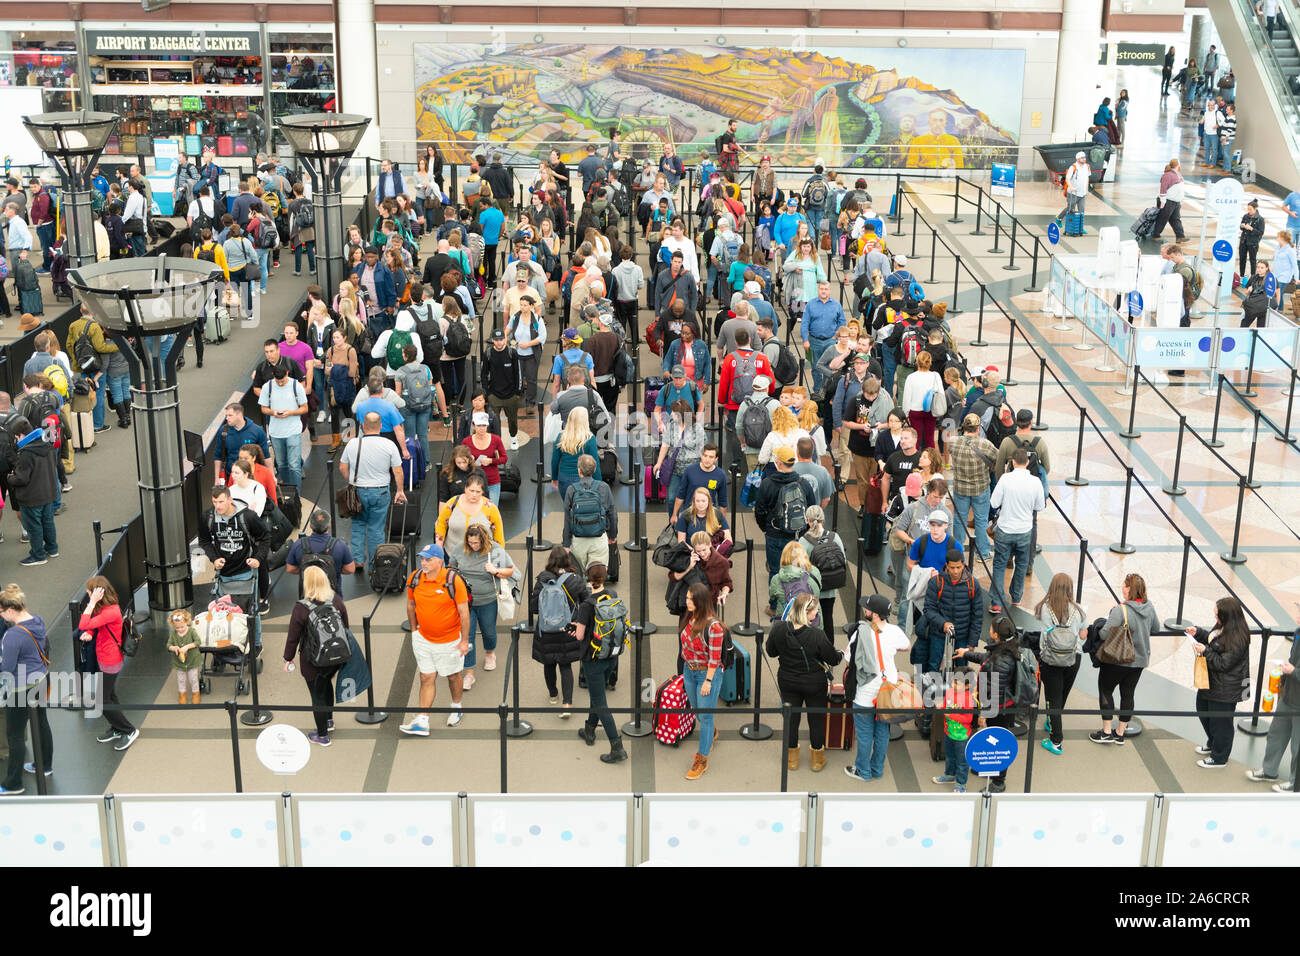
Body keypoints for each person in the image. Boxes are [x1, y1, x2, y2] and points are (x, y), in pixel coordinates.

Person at [766, 592, 841, 773]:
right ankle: (817, 759)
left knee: (791, 719)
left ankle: (791, 759)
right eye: (815, 611)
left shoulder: (778, 628)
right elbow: (832, 659)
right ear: (807, 613)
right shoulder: (817, 635)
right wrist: (841, 654)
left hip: (787, 680)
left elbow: (771, 652)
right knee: (815, 719)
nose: (817, 614)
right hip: (814, 683)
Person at [400, 544, 471, 735]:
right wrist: (414, 631)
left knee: (453, 676)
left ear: (440, 560)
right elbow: (410, 605)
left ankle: (456, 707)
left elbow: (464, 613)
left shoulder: (453, 581)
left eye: (428, 559)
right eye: (422, 558)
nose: (424, 562)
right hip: (423, 639)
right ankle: (422, 720)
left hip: (450, 641)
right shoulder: (415, 578)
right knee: (426, 677)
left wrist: (464, 641)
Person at [845, 593, 910, 782]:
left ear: (874, 614)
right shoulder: (895, 631)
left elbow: (849, 658)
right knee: (882, 733)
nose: (864, 609)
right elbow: (906, 646)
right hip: (887, 691)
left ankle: (863, 771)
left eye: (867, 608)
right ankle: (877, 769)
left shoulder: (861, 632)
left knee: (864, 734)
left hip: (865, 692)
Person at [284, 566, 351, 746]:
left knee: (316, 695)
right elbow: (345, 627)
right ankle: (328, 720)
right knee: (327, 684)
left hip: (312, 660)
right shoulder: (336, 600)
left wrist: (288, 658)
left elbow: (293, 637)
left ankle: (322, 736)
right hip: (335, 656)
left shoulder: (301, 607)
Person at [954, 615, 1021, 793]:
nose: (989, 630)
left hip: (1000, 708)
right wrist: (966, 653)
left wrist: (984, 714)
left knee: (997, 741)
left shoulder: (1002, 660)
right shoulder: (1003, 649)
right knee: (992, 737)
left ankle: (999, 781)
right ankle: (988, 766)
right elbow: (986, 658)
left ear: (996, 635)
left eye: (991, 628)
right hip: (1000, 705)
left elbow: (996, 693)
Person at [1091, 573, 1158, 746]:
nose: (1122, 586)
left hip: (1118, 660)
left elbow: (1104, 633)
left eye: (1124, 584)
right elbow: (1156, 628)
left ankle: (1106, 732)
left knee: (1106, 690)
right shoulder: (1149, 607)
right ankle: (1120, 733)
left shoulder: (1120, 610)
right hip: (1139, 661)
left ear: (1129, 589)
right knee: (1128, 693)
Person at [573, 563, 630, 763]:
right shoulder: (612, 596)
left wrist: (575, 628)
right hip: (612, 656)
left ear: (588, 580)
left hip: (593, 659)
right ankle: (589, 730)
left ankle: (617, 747)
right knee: (597, 695)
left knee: (601, 702)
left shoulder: (587, 605)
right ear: (604, 579)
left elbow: (580, 635)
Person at [1185, 596, 1251, 769]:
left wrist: (1205, 651)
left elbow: (1224, 664)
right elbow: (1214, 641)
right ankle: (1214, 744)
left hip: (1226, 688)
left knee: (1221, 723)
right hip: (1212, 682)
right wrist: (1198, 633)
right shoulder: (1224, 628)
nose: (1215, 618)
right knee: (1203, 710)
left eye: (1217, 615)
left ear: (1227, 616)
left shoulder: (1239, 638)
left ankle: (1219, 757)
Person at [0, 583, 54, 791]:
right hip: (41, 678)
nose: (2, 617)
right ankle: (45, 765)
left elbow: (7, 667)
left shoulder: (13, 635)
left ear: (11, 610)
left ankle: (13, 783)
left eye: (2, 612)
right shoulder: (37, 621)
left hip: (20, 688)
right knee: (41, 721)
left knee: (14, 735)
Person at [339, 412, 408, 570]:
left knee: (357, 525)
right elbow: (398, 471)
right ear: (381, 427)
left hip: (358, 492)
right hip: (381, 492)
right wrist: (400, 490)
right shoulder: (389, 445)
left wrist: (351, 480)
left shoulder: (353, 443)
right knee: (377, 528)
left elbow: (342, 467)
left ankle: (357, 560)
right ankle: (374, 563)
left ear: (363, 426)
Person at [78, 576, 139, 751]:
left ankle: (129, 730)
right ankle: (117, 728)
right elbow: (91, 625)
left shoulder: (110, 611)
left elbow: (83, 623)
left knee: (101, 700)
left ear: (98, 593)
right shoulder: (105, 608)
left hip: (110, 660)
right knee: (110, 696)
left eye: (90, 592)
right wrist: (90, 632)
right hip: (104, 657)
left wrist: (91, 603)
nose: (88, 595)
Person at [456, 524, 516, 690]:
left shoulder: (495, 550)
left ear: (483, 540)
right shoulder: (459, 549)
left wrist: (495, 570)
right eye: (470, 543)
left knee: (489, 632)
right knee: (467, 635)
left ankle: (490, 652)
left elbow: (510, 571)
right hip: (466, 602)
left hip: (488, 600)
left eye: (476, 543)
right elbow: (451, 568)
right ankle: (469, 673)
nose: (473, 546)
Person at [532, 546, 589, 717]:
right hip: (568, 628)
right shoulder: (575, 579)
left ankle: (553, 694)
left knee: (549, 663)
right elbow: (586, 603)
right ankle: (567, 704)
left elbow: (534, 607)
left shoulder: (542, 580)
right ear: (567, 561)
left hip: (546, 630)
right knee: (565, 666)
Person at [988, 448, 1044, 615]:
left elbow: (994, 502)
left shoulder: (1005, 479)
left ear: (1012, 462)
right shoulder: (1035, 482)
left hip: (1005, 529)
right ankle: (1016, 598)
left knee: (999, 564)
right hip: (1025, 531)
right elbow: (1039, 506)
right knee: (1021, 564)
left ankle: (996, 602)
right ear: (1027, 463)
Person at [679, 581, 726, 780]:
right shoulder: (691, 617)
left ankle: (702, 760)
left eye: (691, 599)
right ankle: (711, 732)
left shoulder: (714, 627)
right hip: (689, 670)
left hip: (706, 674)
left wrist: (707, 681)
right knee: (699, 711)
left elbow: (715, 658)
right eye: (687, 598)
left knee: (704, 717)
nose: (687, 601)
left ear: (700, 601)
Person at [755, 445, 817, 578]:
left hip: (774, 533)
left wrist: (765, 528)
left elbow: (760, 511)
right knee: (798, 571)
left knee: (775, 571)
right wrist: (804, 530)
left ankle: (776, 597)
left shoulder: (767, 483)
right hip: (797, 534)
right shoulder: (803, 483)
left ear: (778, 463)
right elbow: (812, 509)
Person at [922, 547, 984, 677]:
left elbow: (977, 615)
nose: (955, 571)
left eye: (958, 567)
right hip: (939, 633)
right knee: (934, 666)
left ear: (963, 565)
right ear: (946, 566)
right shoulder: (936, 582)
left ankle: (959, 696)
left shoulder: (973, 584)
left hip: (962, 636)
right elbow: (928, 609)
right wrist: (943, 623)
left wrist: (972, 643)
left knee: (961, 670)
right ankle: (933, 695)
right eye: (952, 568)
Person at [6, 418, 59, 566]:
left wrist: (10, 478)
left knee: (33, 526)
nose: (16, 440)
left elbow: (21, 479)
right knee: (48, 522)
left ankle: (38, 555)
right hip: (48, 492)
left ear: (22, 435)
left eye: (16, 437)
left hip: (31, 497)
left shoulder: (25, 453)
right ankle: (52, 549)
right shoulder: (47, 445)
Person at [947, 413, 997, 561]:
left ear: (964, 427)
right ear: (978, 428)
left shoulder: (953, 442)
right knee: (981, 520)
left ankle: (958, 551)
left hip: (960, 488)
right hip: (980, 488)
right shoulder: (985, 444)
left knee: (959, 519)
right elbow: (998, 458)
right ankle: (983, 553)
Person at [562, 453, 618, 572]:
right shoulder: (604, 487)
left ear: (579, 470)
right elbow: (612, 514)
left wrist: (566, 544)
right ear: (595, 469)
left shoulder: (571, 490)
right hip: (599, 540)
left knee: (579, 578)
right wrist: (612, 536)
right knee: (597, 578)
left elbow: (567, 519)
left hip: (578, 541)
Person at [258, 363, 309, 490]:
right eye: (277, 381)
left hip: (293, 431)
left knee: (294, 465)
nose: (280, 384)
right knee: (281, 465)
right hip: (276, 433)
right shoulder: (267, 387)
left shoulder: (296, 386)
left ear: (287, 373)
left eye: (282, 381)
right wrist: (273, 412)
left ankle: (296, 494)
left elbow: (304, 408)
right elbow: (264, 408)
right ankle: (288, 491)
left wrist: (291, 413)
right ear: (273, 377)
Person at [286, 509, 357, 593]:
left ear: (310, 526)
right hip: (333, 597)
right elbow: (350, 569)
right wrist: (335, 570)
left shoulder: (298, 544)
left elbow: (290, 568)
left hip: (307, 597)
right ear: (329, 525)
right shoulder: (340, 546)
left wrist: (308, 572)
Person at [800, 281, 846, 393]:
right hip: (814, 341)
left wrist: (836, 336)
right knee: (815, 368)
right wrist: (805, 340)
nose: (823, 291)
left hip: (830, 341)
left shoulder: (836, 305)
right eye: (821, 289)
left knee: (829, 367)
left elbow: (842, 322)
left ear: (830, 290)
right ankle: (816, 391)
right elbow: (804, 323)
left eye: (826, 289)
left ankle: (825, 390)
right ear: (818, 290)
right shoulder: (810, 304)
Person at [482, 329, 523, 450]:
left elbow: (518, 373)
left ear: (505, 339)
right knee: (494, 421)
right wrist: (487, 393)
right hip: (494, 394)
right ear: (493, 340)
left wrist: (517, 392)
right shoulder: (488, 354)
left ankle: (513, 438)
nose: (499, 342)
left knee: (513, 420)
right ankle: (496, 442)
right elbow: (484, 374)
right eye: (496, 340)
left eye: (501, 339)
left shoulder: (512, 353)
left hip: (511, 395)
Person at [551, 406, 600, 501]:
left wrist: (554, 478)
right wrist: (599, 484)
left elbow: (554, 461)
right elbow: (595, 464)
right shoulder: (590, 439)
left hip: (564, 480)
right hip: (585, 482)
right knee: (583, 510)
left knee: (568, 509)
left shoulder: (561, 437)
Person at [463, 411, 508, 505]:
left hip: (492, 481)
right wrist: (469, 460)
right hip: (473, 482)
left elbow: (504, 458)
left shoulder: (496, 439)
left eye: (484, 425)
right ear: (474, 425)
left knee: (491, 510)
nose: (481, 428)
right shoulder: (466, 441)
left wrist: (491, 460)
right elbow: (461, 461)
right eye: (479, 425)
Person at [901, 350, 942, 450]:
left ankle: (916, 460)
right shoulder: (935, 376)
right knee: (930, 438)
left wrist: (905, 413)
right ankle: (930, 460)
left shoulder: (911, 377)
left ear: (917, 361)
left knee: (916, 439)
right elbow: (940, 393)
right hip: (931, 411)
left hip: (915, 411)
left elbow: (906, 397)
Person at [165, 609, 203, 706]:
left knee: (193, 678)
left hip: (192, 660)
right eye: (177, 628)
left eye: (182, 627)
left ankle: (196, 694)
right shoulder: (173, 634)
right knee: (181, 679)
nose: (180, 629)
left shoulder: (191, 631)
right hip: (179, 662)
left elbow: (198, 642)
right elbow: (168, 645)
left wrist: (187, 646)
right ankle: (182, 695)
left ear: (187, 622)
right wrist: (174, 648)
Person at [1152, 159, 1187, 242]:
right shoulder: (1167, 175)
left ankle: (1180, 236)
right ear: (1177, 165)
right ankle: (1155, 234)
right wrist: (1163, 202)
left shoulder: (1177, 174)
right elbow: (1163, 189)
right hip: (1167, 201)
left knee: (1176, 219)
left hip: (1175, 202)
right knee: (1162, 218)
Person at [1056, 152, 1090, 229]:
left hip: (1082, 193)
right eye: (1082, 158)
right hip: (1073, 193)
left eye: (1084, 157)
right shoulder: (1073, 167)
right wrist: (1070, 186)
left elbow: (1087, 178)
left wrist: (1086, 189)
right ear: (1077, 159)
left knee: (1082, 211)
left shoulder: (1087, 166)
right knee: (1070, 209)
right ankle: (1059, 218)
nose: (1084, 159)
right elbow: (1067, 178)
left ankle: (1080, 228)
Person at [1239, 199, 1264, 279]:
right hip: (1244, 241)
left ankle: (1253, 277)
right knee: (1242, 259)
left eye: (1250, 209)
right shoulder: (1246, 216)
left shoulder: (1260, 219)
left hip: (1253, 243)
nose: (1249, 211)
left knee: (1253, 260)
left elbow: (1260, 232)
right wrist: (1242, 226)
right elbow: (1241, 226)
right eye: (1248, 209)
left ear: (1255, 209)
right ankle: (1241, 276)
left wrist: (1251, 229)